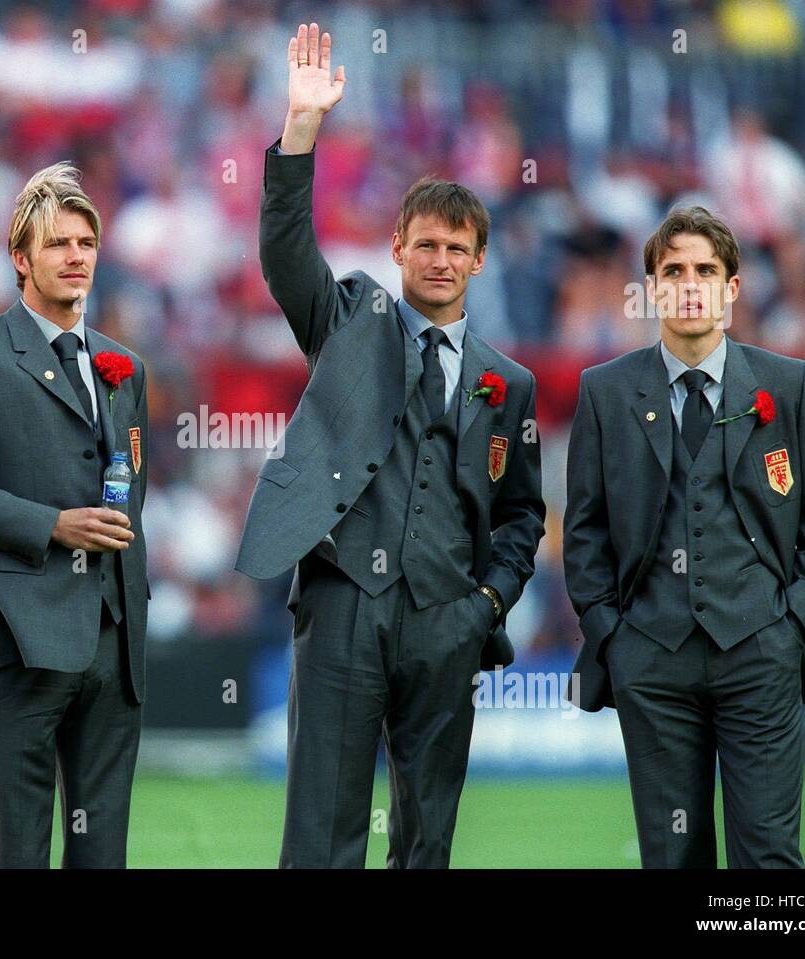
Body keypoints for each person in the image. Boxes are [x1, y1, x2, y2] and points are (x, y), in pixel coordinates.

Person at [235, 23, 545, 868]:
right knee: (321, 837)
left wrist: (483, 607)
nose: (440, 259)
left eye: (457, 248)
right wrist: (300, 130)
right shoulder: (348, 319)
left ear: (480, 261)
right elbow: (284, 250)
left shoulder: (507, 382)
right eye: (427, 245)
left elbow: (522, 515)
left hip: (446, 620)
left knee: (427, 842)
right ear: (396, 248)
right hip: (342, 603)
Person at [563, 206, 805, 867]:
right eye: (674, 271)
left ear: (733, 287)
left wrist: (791, 623)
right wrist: (615, 635)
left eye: (706, 270)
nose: (690, 283)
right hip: (652, 662)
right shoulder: (604, 392)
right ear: (652, 287)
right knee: (672, 857)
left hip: (760, 652)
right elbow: (583, 532)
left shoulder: (788, 383)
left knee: (770, 856)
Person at [0, 162, 149, 868]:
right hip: (18, 641)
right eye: (58, 244)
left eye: (85, 242)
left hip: (114, 644)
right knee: (11, 854)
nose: (76, 256)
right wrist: (54, 524)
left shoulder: (124, 365)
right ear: (21, 258)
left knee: (101, 856)